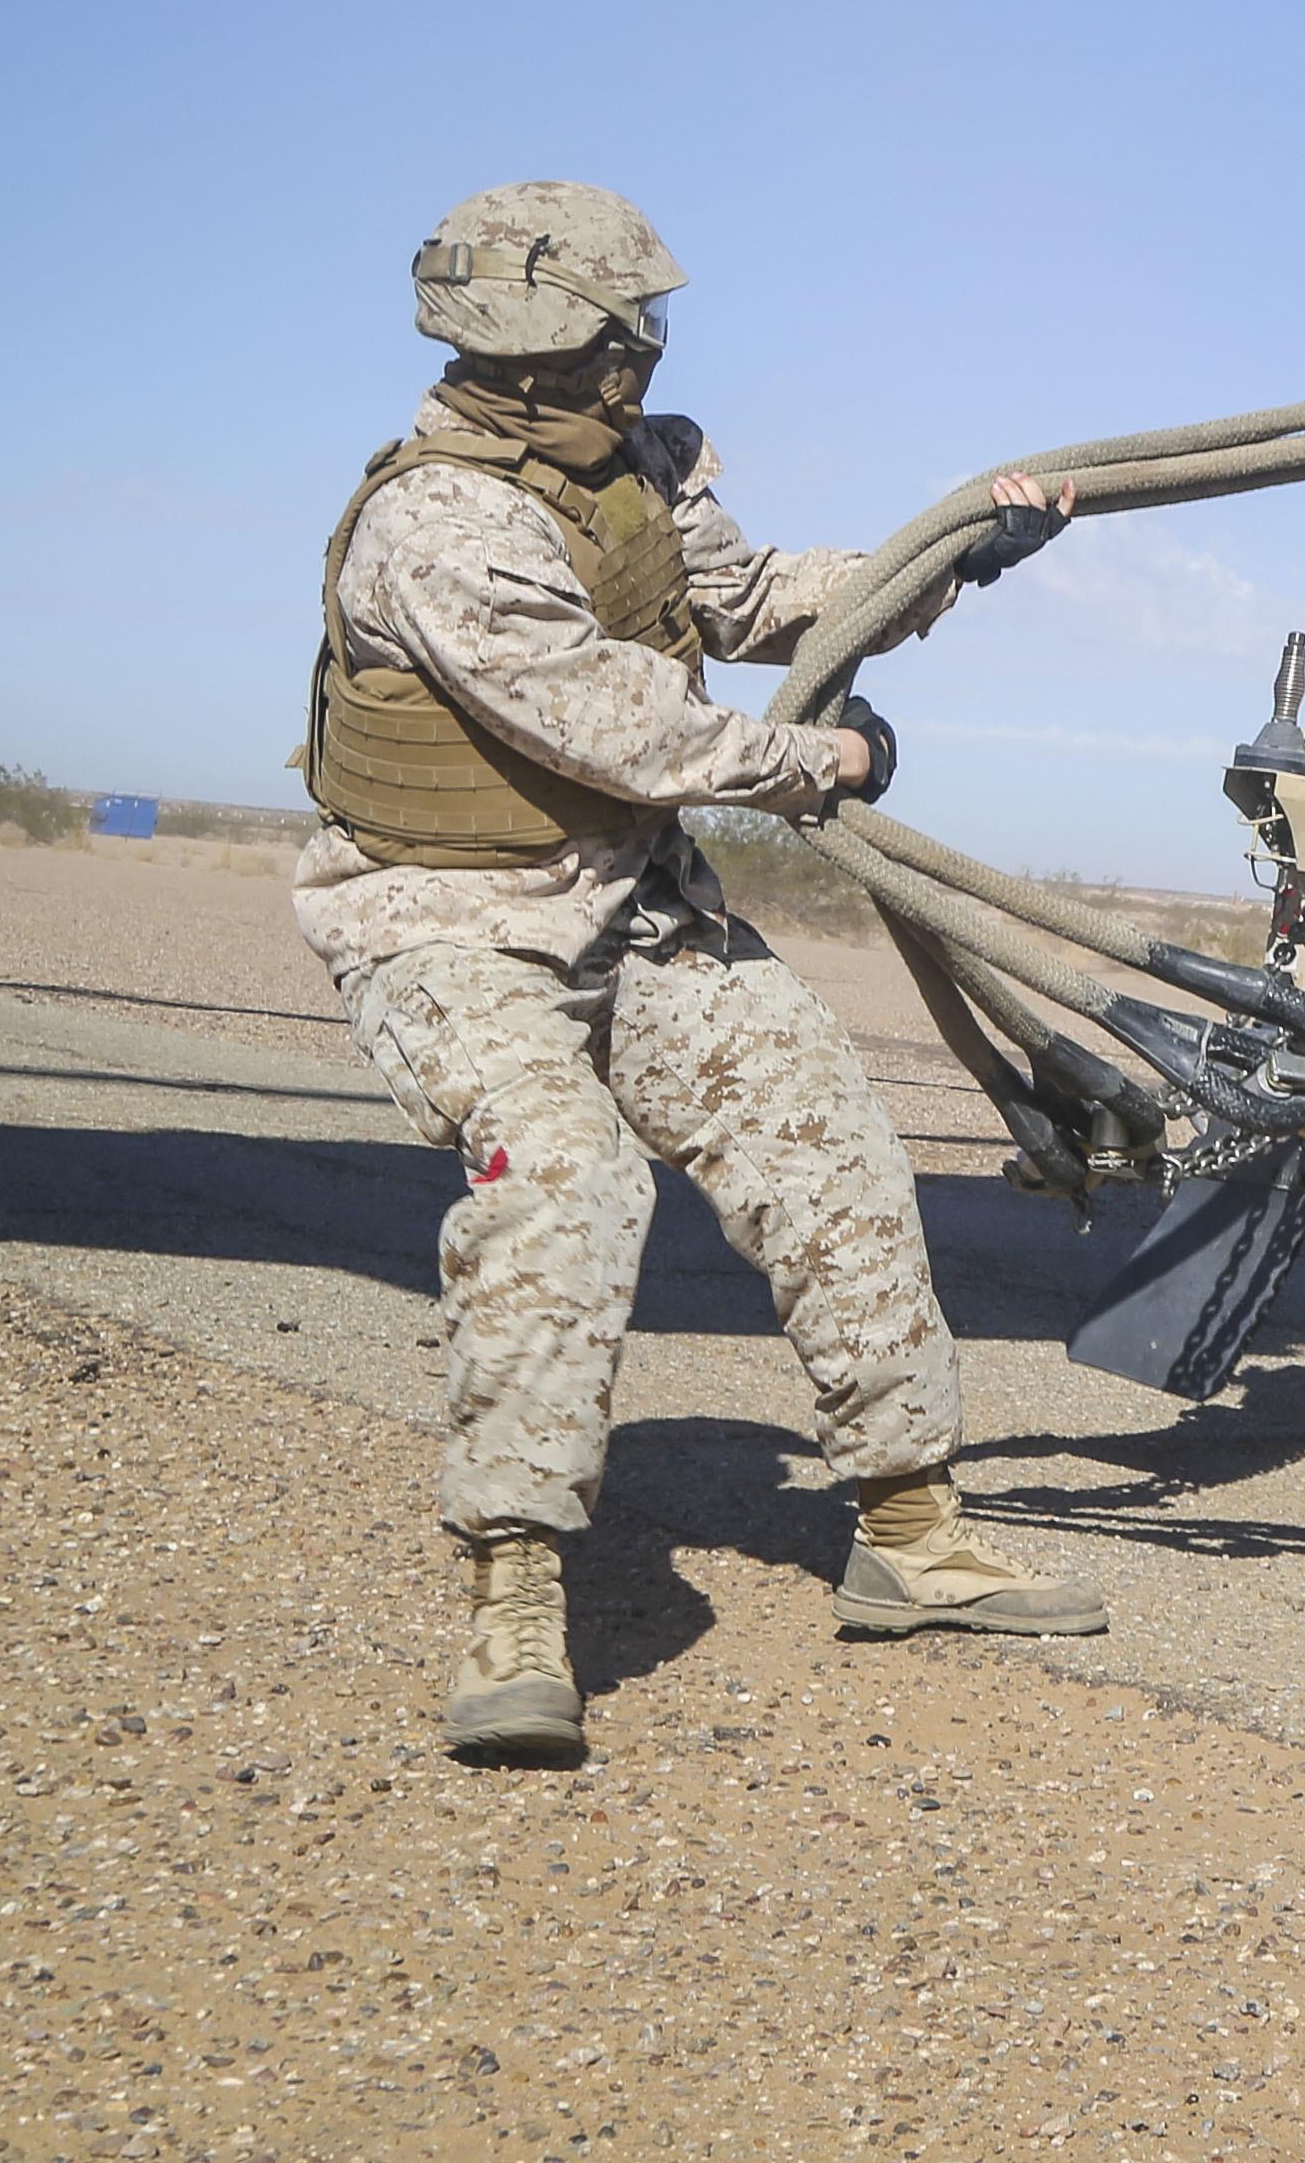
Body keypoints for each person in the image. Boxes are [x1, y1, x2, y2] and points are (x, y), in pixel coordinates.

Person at [295, 181, 1101, 1763]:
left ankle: (912, 1529)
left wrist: (950, 552)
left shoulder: (642, 477)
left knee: (828, 1144)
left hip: (635, 910)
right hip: (453, 930)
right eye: (621, 329)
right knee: (568, 1186)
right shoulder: (438, 522)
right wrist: (830, 759)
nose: (646, 355)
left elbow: (740, 602)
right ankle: (516, 1587)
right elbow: (622, 725)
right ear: (547, 343)